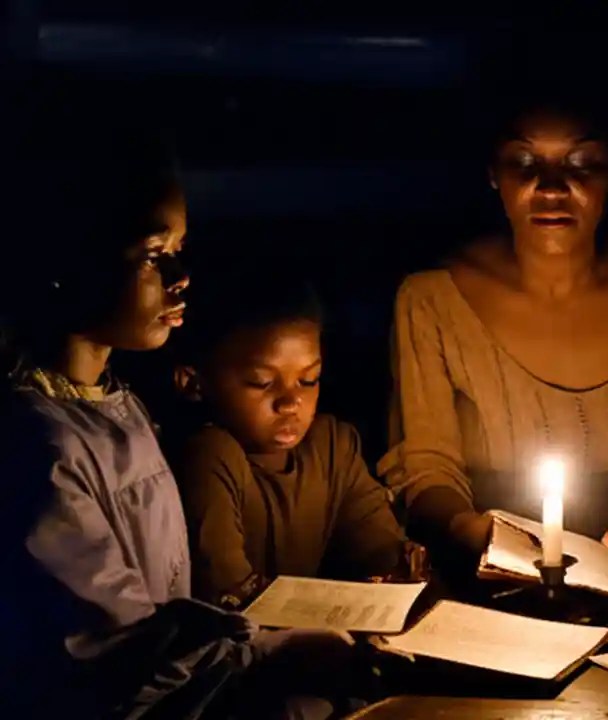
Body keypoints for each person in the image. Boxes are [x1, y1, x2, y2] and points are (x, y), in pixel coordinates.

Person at [0, 111, 356, 719]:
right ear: (68, 261)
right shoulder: (40, 447)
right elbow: (110, 653)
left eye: (180, 250)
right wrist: (272, 657)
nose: (181, 277)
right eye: (152, 255)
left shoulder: (119, 409)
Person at [379, 100, 608, 565]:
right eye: (524, 163)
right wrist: (468, 529)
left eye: (581, 164)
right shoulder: (431, 299)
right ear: (494, 174)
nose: (551, 189)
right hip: (490, 570)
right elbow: (424, 467)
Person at [172, 274, 424, 609]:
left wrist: (402, 565)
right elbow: (228, 592)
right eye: (261, 383)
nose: (291, 403)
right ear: (194, 383)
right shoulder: (209, 456)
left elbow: (376, 545)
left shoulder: (333, 446)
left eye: (308, 380)